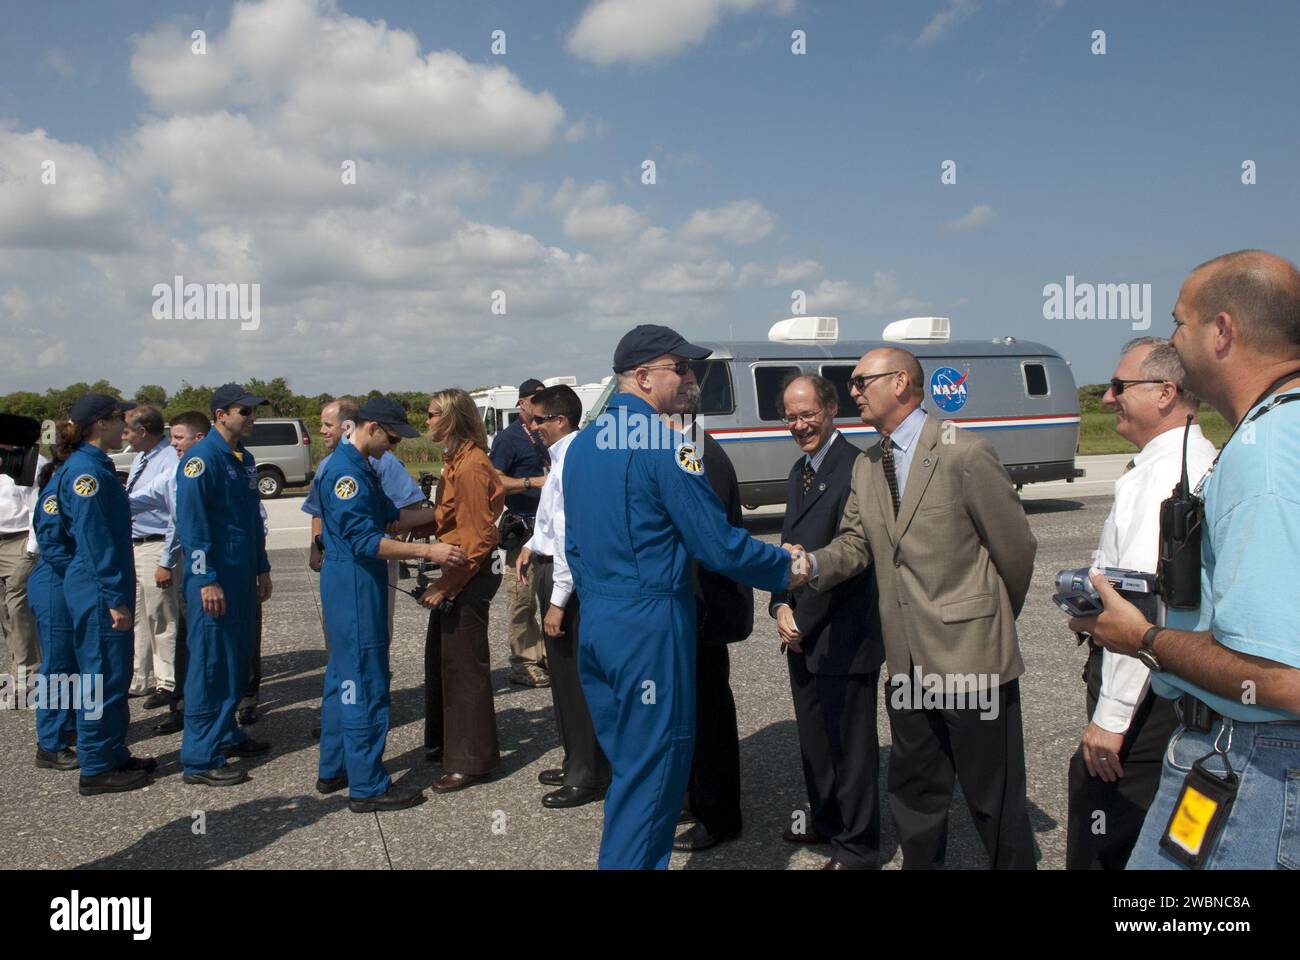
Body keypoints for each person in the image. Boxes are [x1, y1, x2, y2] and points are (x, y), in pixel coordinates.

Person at [1075, 250, 1300, 869]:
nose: (1174, 340)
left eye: (1180, 324)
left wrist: (1142, 636)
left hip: (1256, 761)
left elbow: (1281, 679)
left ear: (1223, 332)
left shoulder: (1267, 452)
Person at [563, 324, 803, 870]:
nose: (693, 377)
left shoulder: (581, 446)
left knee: (630, 770)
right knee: (654, 779)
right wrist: (788, 567)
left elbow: (573, 541)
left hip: (599, 624)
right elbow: (717, 545)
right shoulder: (669, 443)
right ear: (643, 378)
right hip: (650, 628)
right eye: (683, 367)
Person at [808, 347, 1037, 869]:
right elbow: (855, 544)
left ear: (903, 384)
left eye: (862, 380)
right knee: (915, 792)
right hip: (907, 662)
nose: (854, 391)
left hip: (972, 659)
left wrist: (988, 620)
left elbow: (1015, 550)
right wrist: (808, 566)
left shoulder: (965, 452)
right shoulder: (867, 465)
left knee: (993, 798)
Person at [1064, 338, 1216, 870]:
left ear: (1166, 393)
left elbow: (1142, 608)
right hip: (1184, 685)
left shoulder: (1161, 479)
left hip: (1148, 691)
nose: (1107, 398)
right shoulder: (1195, 458)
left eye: (1120, 387)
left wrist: (1111, 718)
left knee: (1104, 823)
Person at [315, 396, 467, 812]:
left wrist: (447, 514)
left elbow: (393, 517)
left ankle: (335, 767)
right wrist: (429, 553)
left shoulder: (360, 466)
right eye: (393, 439)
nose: (394, 448)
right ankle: (367, 786)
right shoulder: (346, 473)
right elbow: (366, 539)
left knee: (343, 678)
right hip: (355, 583)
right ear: (372, 428)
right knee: (365, 681)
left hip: (349, 580)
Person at [768, 374, 883, 870]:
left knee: (850, 746)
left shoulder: (857, 467)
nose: (800, 425)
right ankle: (827, 817)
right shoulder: (800, 471)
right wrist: (779, 606)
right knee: (815, 738)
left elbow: (853, 557)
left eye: (808, 414)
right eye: (790, 417)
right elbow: (789, 547)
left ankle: (857, 846)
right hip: (801, 629)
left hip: (843, 630)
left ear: (832, 408)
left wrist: (803, 617)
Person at [56, 394, 157, 795]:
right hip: (101, 589)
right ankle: (96, 766)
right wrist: (115, 597)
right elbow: (96, 541)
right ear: (100, 424)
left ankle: (113, 751)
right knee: (99, 678)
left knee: (114, 675)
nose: (124, 426)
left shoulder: (95, 466)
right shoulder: (87, 473)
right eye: (120, 419)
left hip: (104, 585)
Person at [175, 383, 273, 787]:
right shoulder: (201, 459)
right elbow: (193, 525)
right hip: (213, 580)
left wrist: (262, 567)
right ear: (220, 415)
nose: (251, 418)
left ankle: (227, 732)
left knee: (235, 661)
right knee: (211, 666)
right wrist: (206, 578)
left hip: (241, 575)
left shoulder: (243, 458)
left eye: (253, 412)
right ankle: (200, 757)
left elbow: (251, 520)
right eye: (244, 412)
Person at [517, 385, 609, 808]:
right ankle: (575, 757)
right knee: (562, 679)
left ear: (561, 420)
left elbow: (573, 534)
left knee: (575, 680)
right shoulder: (560, 456)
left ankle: (588, 774)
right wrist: (532, 544)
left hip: (567, 580)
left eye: (538, 420)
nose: (531, 427)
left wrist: (558, 601)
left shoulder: (574, 457)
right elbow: (551, 520)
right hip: (551, 567)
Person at [673, 388, 756, 853]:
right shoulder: (687, 448)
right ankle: (696, 798)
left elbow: (708, 540)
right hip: (692, 604)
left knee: (709, 717)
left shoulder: (696, 452)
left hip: (703, 606)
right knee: (693, 712)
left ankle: (720, 817)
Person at [419, 388, 506, 792]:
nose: (427, 420)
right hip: (460, 567)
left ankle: (472, 761)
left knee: (465, 668)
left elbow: (479, 537)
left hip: (468, 572)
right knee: (445, 662)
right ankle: (448, 744)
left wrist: (446, 585)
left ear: (452, 418)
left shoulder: (470, 465)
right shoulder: (455, 461)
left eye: (433, 414)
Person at [127, 410, 210, 735]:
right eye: (172, 437)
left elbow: (181, 524)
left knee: (176, 625)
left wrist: (167, 560)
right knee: (150, 620)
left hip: (185, 559)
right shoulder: (164, 468)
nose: (173, 443)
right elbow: (138, 501)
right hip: (161, 551)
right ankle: (174, 699)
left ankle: (183, 697)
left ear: (197, 439)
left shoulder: (193, 469)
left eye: (178, 437)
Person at [489, 378, 550, 688]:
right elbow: (494, 482)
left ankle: (544, 653)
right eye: (536, 400)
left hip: (550, 526)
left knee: (551, 591)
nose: (541, 405)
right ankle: (523, 662)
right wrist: (531, 483)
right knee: (522, 597)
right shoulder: (508, 438)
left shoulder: (546, 433)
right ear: (522, 403)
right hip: (523, 526)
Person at [121, 404, 181, 706]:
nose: (124, 436)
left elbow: (175, 515)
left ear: (143, 431)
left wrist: (166, 561)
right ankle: (141, 677)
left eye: (128, 430)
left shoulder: (169, 460)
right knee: (141, 616)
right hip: (137, 544)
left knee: (162, 616)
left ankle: (168, 682)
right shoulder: (143, 457)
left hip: (157, 545)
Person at [30, 450, 79, 770]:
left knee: (75, 660)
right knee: (58, 665)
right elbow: (53, 545)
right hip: (56, 583)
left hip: (69, 581)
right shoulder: (55, 490)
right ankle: (50, 743)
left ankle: (72, 724)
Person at [0, 437, 43, 704]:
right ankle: (17, 670)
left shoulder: (27, 462)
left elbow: (36, 507)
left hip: (19, 541)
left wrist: (32, 549)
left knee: (18, 606)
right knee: (4, 612)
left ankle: (29, 677)